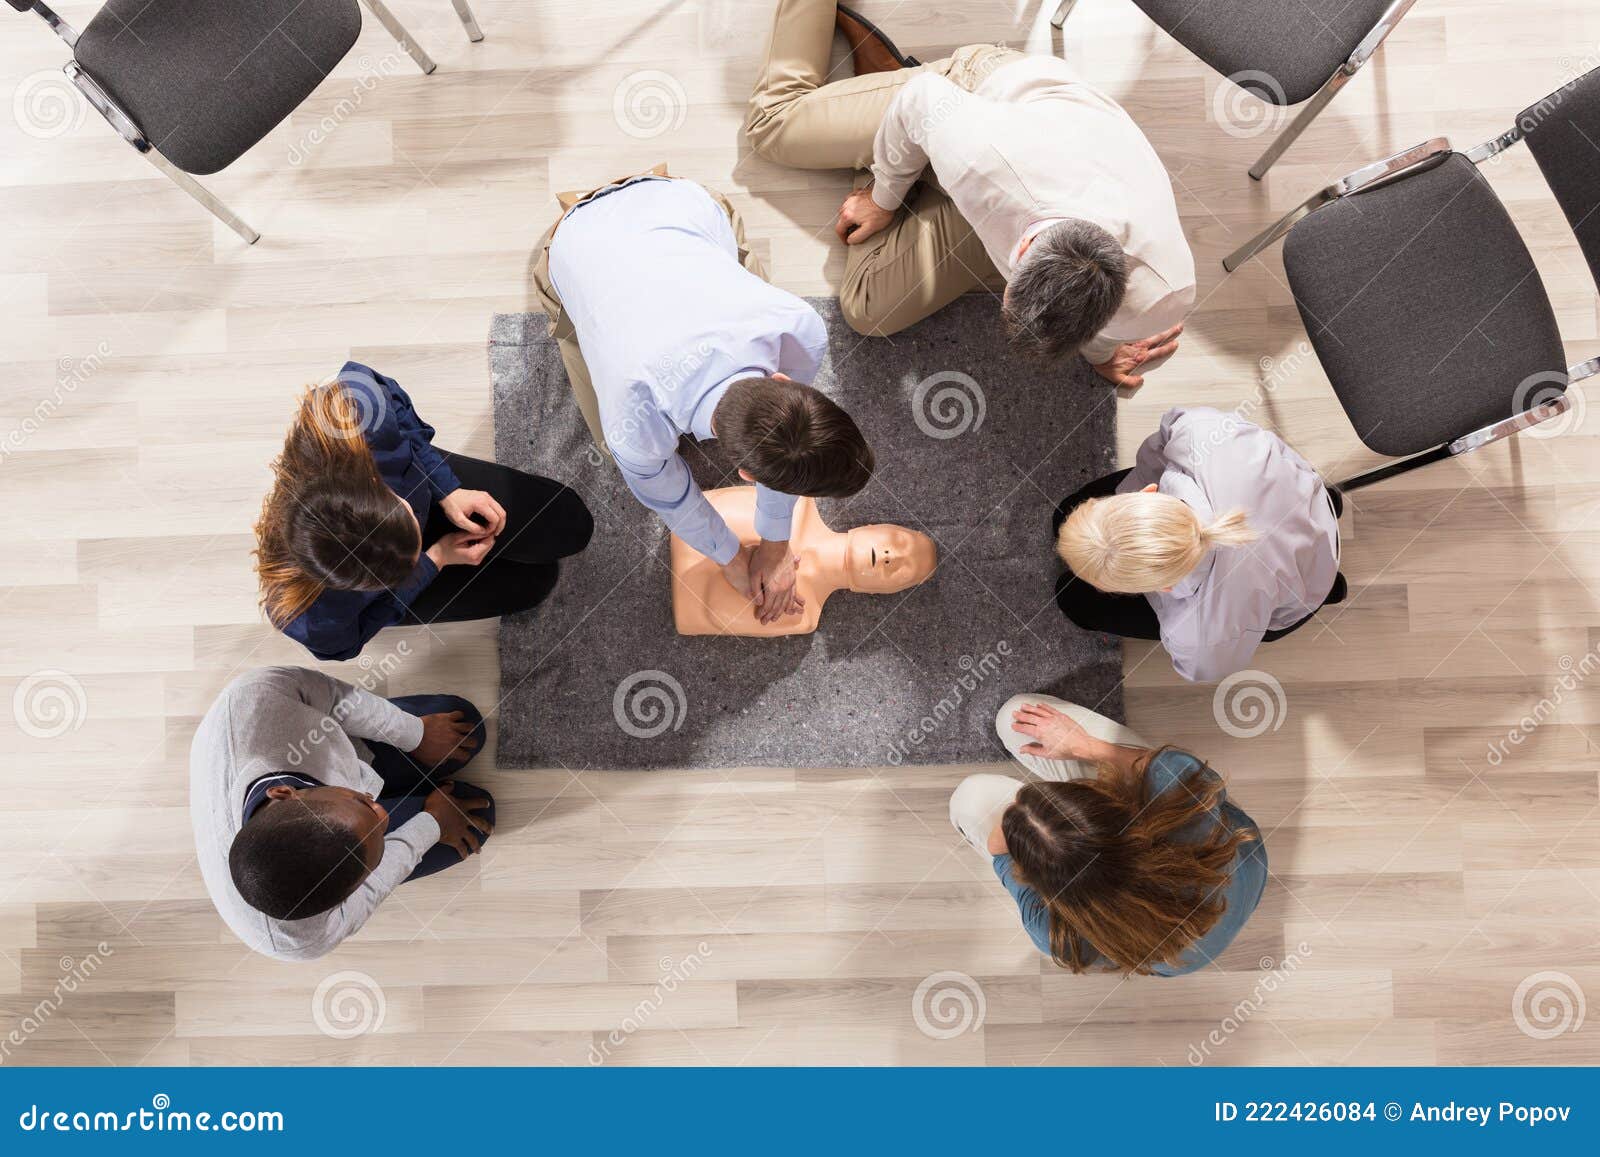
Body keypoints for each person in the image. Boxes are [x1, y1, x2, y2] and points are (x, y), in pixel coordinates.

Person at [745, 0, 1193, 391]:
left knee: (867, 310)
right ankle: (891, 103)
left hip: (1020, 176)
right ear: (1020, 248)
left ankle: (898, 146)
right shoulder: (988, 158)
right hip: (966, 95)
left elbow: (1105, 324)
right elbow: (922, 99)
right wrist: (882, 200)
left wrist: (1099, 353)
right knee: (774, 127)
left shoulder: (1162, 297)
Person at [530, 168, 874, 625]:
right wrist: (731, 559)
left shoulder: (797, 324)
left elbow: (787, 441)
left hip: (681, 206)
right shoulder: (633, 420)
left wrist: (774, 550)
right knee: (615, 449)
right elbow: (671, 499)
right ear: (746, 474)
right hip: (576, 237)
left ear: (783, 384)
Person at [254, 362, 594, 661]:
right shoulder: (306, 615)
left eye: (408, 524)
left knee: (570, 523)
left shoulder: (353, 415)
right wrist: (434, 560)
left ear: (374, 479)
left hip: (425, 488)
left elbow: (388, 399)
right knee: (535, 585)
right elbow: (348, 641)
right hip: (417, 573)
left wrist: (446, 488)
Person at [190, 666, 495, 962]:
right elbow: (368, 893)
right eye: (373, 859)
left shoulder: (255, 701)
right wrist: (432, 824)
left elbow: (334, 697)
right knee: (479, 814)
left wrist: (414, 733)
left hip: (336, 748)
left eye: (364, 804)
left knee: (468, 726)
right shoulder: (299, 939)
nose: (385, 815)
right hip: (336, 808)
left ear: (285, 793)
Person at [950, 694, 1266, 976]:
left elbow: (1000, 853)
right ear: (1108, 804)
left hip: (1204, 921)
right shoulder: (1182, 798)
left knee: (969, 799)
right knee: (1015, 717)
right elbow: (1169, 767)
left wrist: (1002, 846)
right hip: (1238, 873)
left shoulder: (1054, 933)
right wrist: (1086, 747)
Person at [1054, 406, 1344, 682]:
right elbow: (1163, 440)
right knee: (1064, 516)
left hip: (1308, 582)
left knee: (1076, 601)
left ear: (1163, 588)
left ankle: (1324, 588)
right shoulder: (1199, 433)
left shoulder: (1202, 637)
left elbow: (1205, 668)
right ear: (1148, 492)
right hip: (1299, 491)